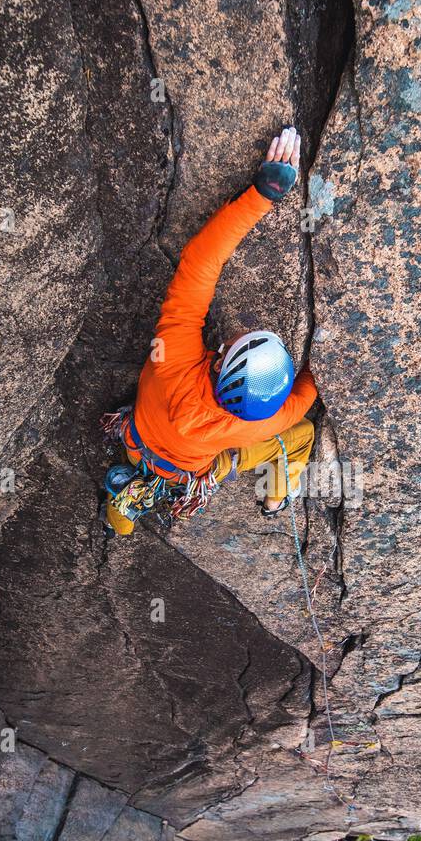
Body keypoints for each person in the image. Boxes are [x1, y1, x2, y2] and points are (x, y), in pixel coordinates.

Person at [104, 126, 317, 535]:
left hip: (138, 438)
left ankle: (124, 506)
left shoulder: (175, 358)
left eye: (246, 338)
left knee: (140, 481)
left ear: (220, 360)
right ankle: (274, 499)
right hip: (186, 468)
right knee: (302, 436)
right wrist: (323, 363)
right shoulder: (259, 424)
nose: (248, 329)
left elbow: (201, 263)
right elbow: (303, 400)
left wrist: (263, 195)